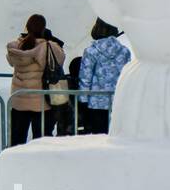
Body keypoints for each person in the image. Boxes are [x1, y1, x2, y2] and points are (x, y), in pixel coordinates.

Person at [7, 13, 65, 146]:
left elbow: (11, 61)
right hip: (42, 102)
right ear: (44, 28)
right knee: (41, 143)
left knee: (17, 141)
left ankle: (16, 165)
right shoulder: (49, 47)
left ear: (26, 27)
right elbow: (60, 60)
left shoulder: (16, 47)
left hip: (19, 100)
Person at [77, 19, 131, 135]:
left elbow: (85, 79)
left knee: (98, 137)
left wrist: (82, 101)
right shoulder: (125, 52)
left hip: (96, 102)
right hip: (117, 101)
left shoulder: (91, 51)